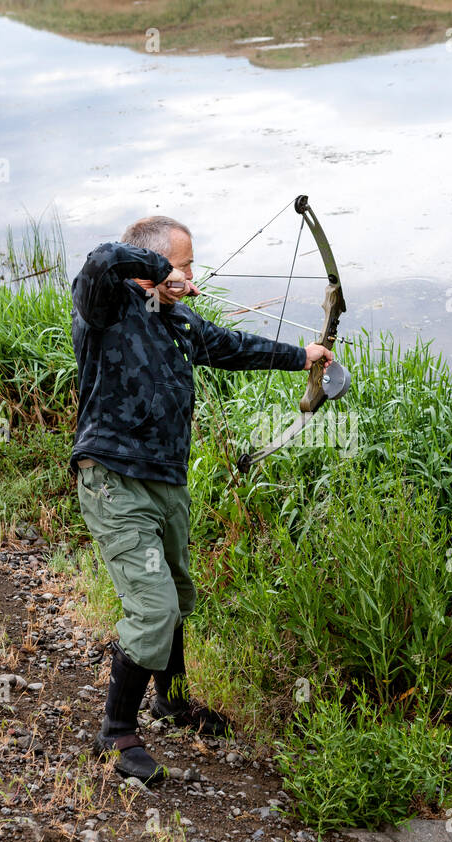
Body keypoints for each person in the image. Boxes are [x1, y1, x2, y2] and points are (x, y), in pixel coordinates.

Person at [70, 215, 335, 785]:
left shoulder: (180, 321)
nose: (192, 275)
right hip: (114, 480)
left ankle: (173, 703)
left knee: (179, 597)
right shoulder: (104, 305)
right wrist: (157, 269)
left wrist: (303, 355)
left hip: (167, 483)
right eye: (184, 264)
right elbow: (100, 258)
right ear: (155, 265)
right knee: (153, 606)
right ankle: (116, 733)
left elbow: (231, 346)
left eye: (188, 265)